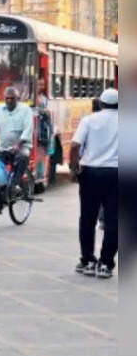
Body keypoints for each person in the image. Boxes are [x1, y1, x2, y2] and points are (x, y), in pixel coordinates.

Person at [69, 88, 118, 278]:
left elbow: (74, 146)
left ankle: (88, 260)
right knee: (115, 220)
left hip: (90, 174)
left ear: (101, 103)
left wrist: (74, 168)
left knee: (87, 218)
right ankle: (106, 264)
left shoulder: (89, 120)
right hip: (117, 174)